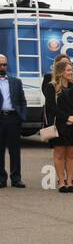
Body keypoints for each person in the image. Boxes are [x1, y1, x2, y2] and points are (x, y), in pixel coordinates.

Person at [44, 56, 73, 193]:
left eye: (71, 70)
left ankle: (70, 182)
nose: (71, 72)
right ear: (61, 72)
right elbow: (51, 107)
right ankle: (61, 182)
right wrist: (66, 117)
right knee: (60, 154)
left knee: (71, 154)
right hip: (60, 124)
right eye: (68, 70)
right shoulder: (51, 87)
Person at [0, 54, 27, 188]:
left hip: (13, 118)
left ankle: (16, 178)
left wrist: (22, 116)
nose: (2, 67)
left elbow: (22, 101)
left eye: (4, 64)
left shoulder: (16, 81)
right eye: (0, 65)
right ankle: (1, 178)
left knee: (15, 150)